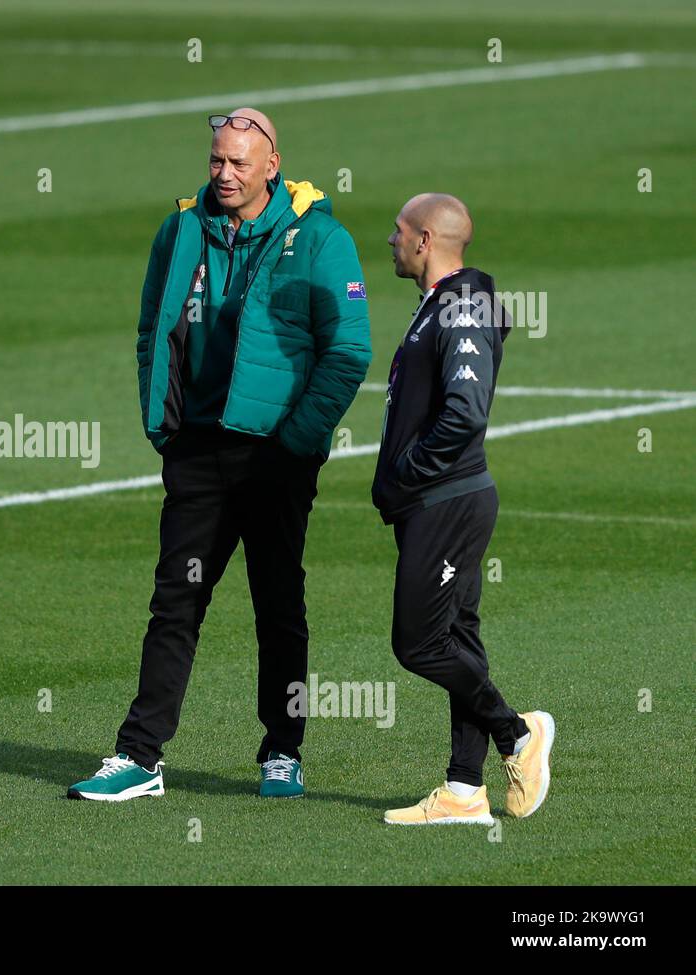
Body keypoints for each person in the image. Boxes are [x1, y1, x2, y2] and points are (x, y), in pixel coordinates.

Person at [68, 108, 372, 801]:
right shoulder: (178, 232)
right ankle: (139, 755)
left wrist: (296, 444)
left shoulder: (319, 238)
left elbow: (349, 350)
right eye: (216, 160)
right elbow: (152, 329)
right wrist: (164, 427)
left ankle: (283, 751)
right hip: (197, 450)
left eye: (239, 162)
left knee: (278, 604)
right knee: (175, 600)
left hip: (275, 455)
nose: (225, 173)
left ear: (272, 164)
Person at [375, 193, 554, 825]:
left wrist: (411, 473)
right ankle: (462, 789)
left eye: (398, 232)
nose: (389, 242)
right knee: (457, 638)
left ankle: (518, 734)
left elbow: (466, 411)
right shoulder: (436, 306)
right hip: (436, 500)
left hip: (446, 501)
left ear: (425, 241)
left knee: (418, 643)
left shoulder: (463, 305)